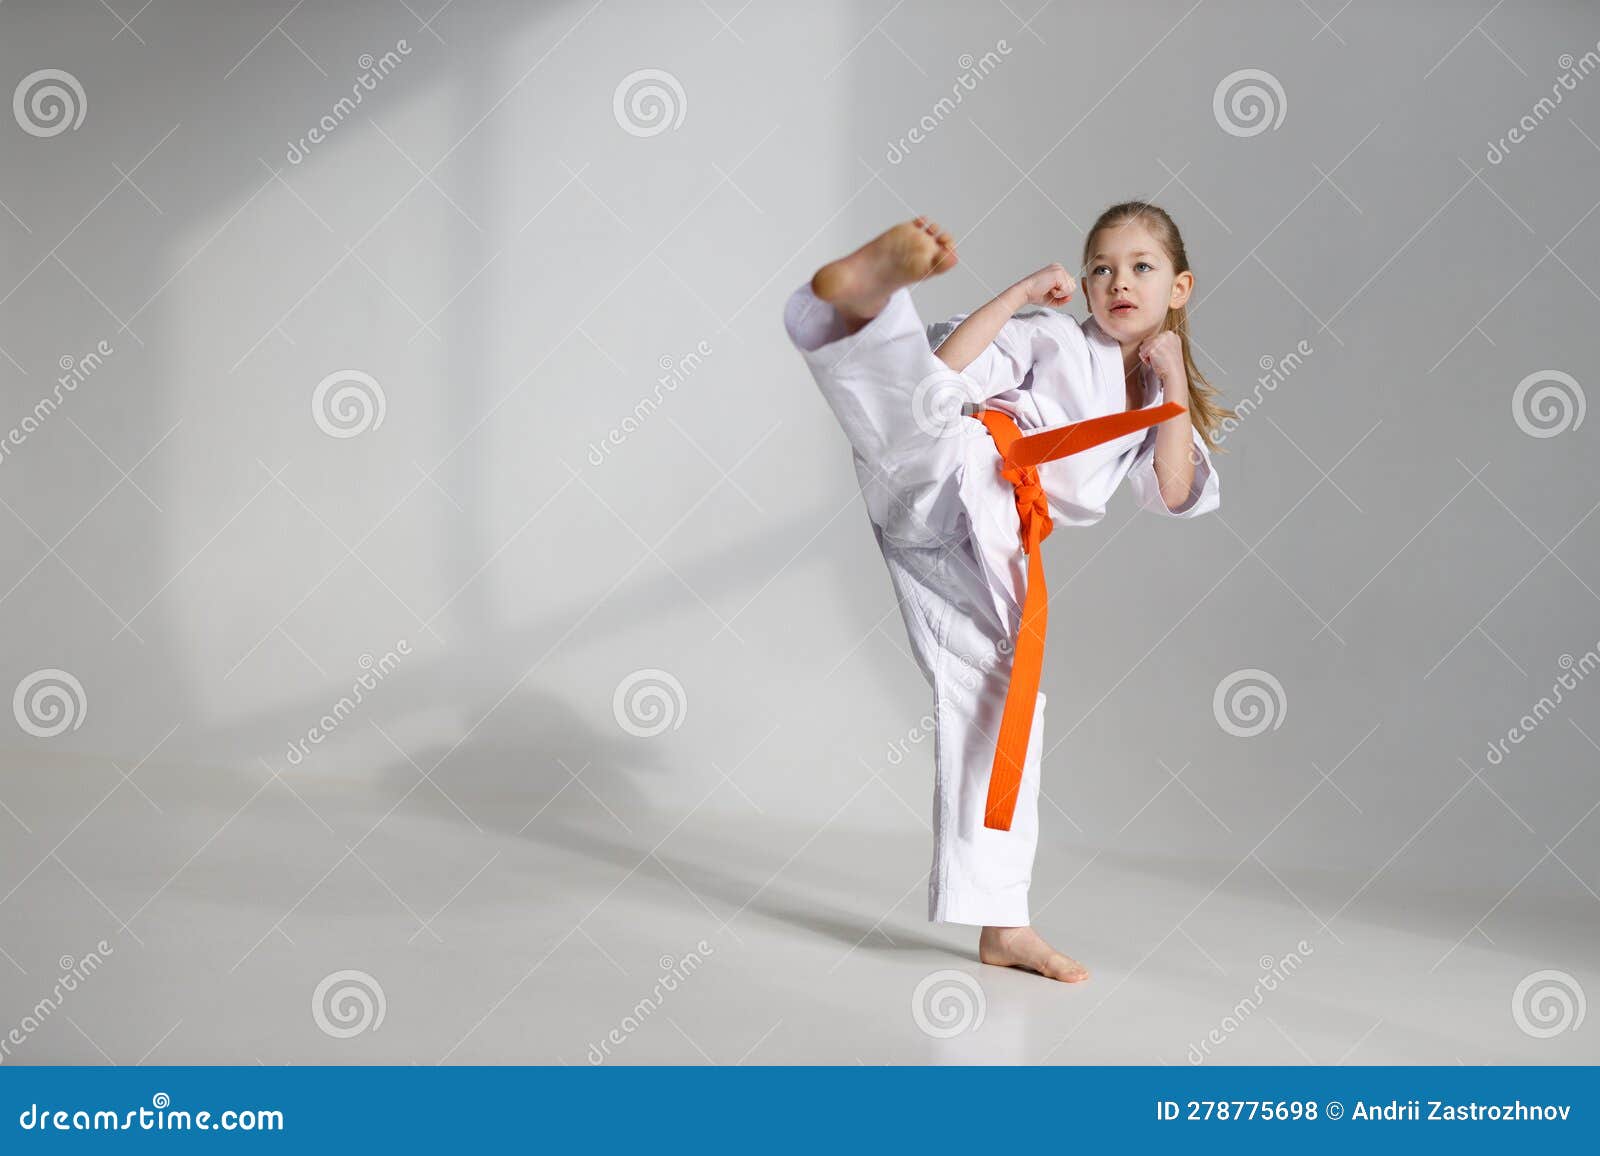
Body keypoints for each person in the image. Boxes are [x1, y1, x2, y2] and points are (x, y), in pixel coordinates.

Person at [782, 204, 1232, 983]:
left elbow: (1175, 482)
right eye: (1101, 267)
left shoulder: (1155, 399)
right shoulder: (1056, 338)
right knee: (920, 412)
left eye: (1141, 267)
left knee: (999, 710)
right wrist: (1022, 291)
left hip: (984, 550)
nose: (1117, 281)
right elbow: (951, 369)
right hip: (965, 469)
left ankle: (1002, 924)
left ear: (1180, 287)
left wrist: (1169, 382)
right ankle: (857, 303)